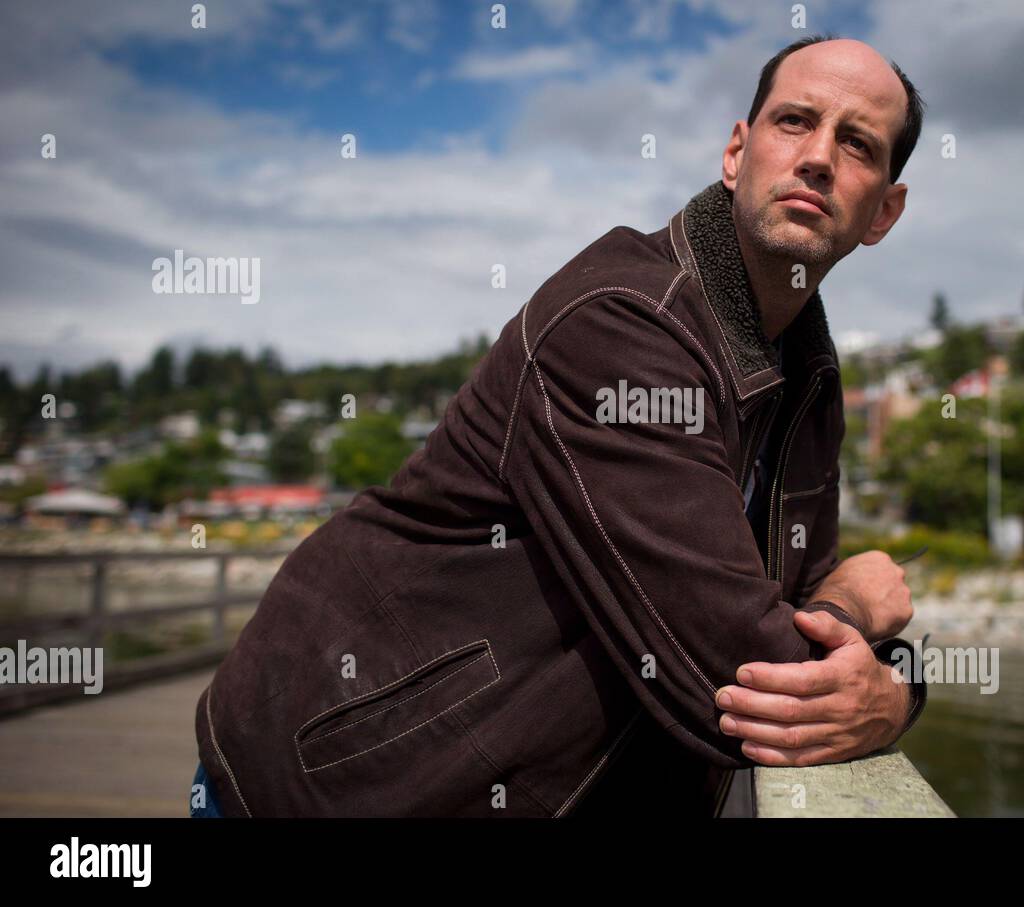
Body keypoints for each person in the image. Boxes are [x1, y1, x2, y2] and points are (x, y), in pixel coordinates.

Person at [192, 34, 927, 818]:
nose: (817, 157)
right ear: (735, 154)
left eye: (856, 144)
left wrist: (895, 684)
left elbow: (797, 599)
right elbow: (745, 670)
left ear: (884, 210)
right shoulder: (621, 323)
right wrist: (868, 635)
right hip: (340, 775)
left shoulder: (805, 372)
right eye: (793, 121)